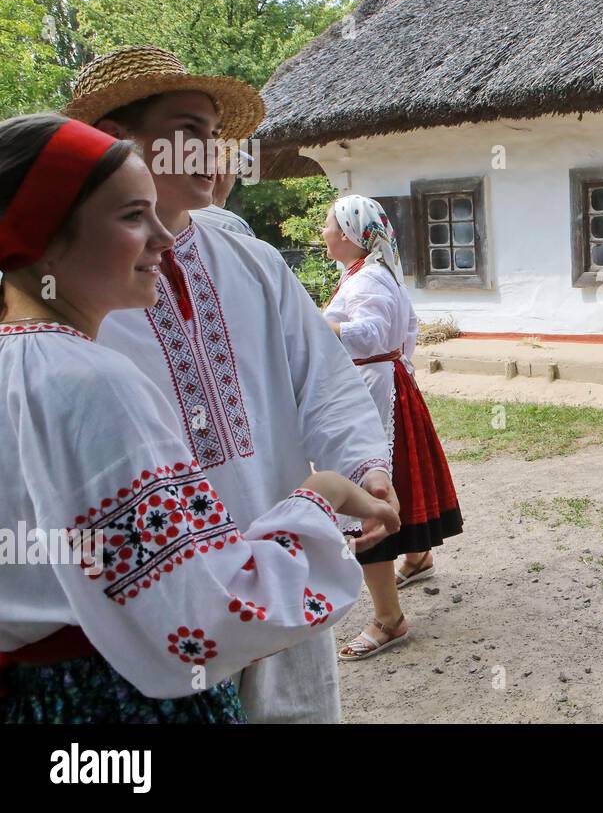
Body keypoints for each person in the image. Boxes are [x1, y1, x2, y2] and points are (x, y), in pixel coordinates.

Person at [0, 114, 399, 723]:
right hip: (150, 659)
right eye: (191, 130)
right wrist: (319, 502)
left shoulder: (252, 262)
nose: (219, 153)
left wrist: (362, 463)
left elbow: (323, 377)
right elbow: (194, 613)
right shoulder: (88, 373)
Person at [322, 196, 464, 660]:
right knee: (394, 479)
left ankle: (389, 619)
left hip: (373, 394)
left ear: (347, 233)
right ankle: (418, 557)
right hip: (380, 387)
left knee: (369, 491)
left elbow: (372, 335)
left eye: (327, 226)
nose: (322, 233)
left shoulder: (369, 281)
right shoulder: (365, 274)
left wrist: (316, 326)